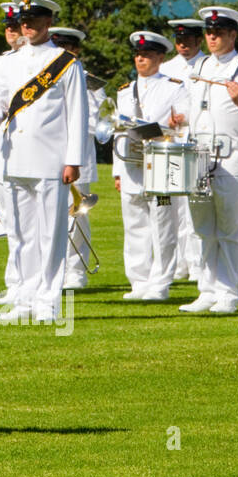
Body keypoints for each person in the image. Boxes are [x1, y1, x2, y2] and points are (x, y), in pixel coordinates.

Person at [0, 0, 89, 322]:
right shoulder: (2, 64)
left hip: (51, 160)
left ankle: (47, 302)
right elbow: (0, 108)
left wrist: (73, 160)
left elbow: (77, 113)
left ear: (48, 22)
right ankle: (24, 299)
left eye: (34, 20)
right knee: (20, 234)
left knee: (51, 234)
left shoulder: (65, 63)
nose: (27, 26)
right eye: (23, 21)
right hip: (12, 158)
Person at [179, 6, 238, 315]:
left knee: (229, 227)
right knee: (202, 227)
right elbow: (194, 108)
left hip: (231, 157)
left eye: (219, 33)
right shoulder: (201, 65)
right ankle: (207, 290)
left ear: (233, 35)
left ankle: (229, 292)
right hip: (198, 155)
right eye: (209, 32)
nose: (212, 38)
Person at [113, 32, 188, 300]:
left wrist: (180, 119)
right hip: (132, 164)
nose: (140, 59)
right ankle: (139, 281)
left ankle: (160, 283)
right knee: (134, 224)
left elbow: (184, 120)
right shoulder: (124, 91)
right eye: (137, 54)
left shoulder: (173, 87)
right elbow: (117, 131)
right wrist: (117, 171)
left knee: (163, 223)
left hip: (162, 163)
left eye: (146, 54)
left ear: (160, 58)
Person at [50, 26, 102, 290]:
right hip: (48, 156)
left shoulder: (88, 81)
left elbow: (96, 122)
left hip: (78, 157)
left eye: (67, 48)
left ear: (76, 50)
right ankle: (54, 271)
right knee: (49, 217)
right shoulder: (43, 78)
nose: (62, 52)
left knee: (77, 216)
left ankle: (76, 271)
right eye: (58, 47)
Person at [0, 3, 26, 306]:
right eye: (8, 26)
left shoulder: (46, 62)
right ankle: (15, 283)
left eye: (16, 25)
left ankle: (32, 285)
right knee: (10, 222)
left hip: (33, 150)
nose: (11, 31)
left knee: (32, 225)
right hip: (4, 149)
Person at [163, 18, 205, 282]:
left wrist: (186, 117)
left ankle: (197, 263)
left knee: (196, 208)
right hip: (173, 142)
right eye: (179, 41)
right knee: (174, 207)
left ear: (198, 40)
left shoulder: (206, 66)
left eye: (188, 40)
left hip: (197, 141)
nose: (183, 45)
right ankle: (179, 262)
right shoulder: (166, 68)